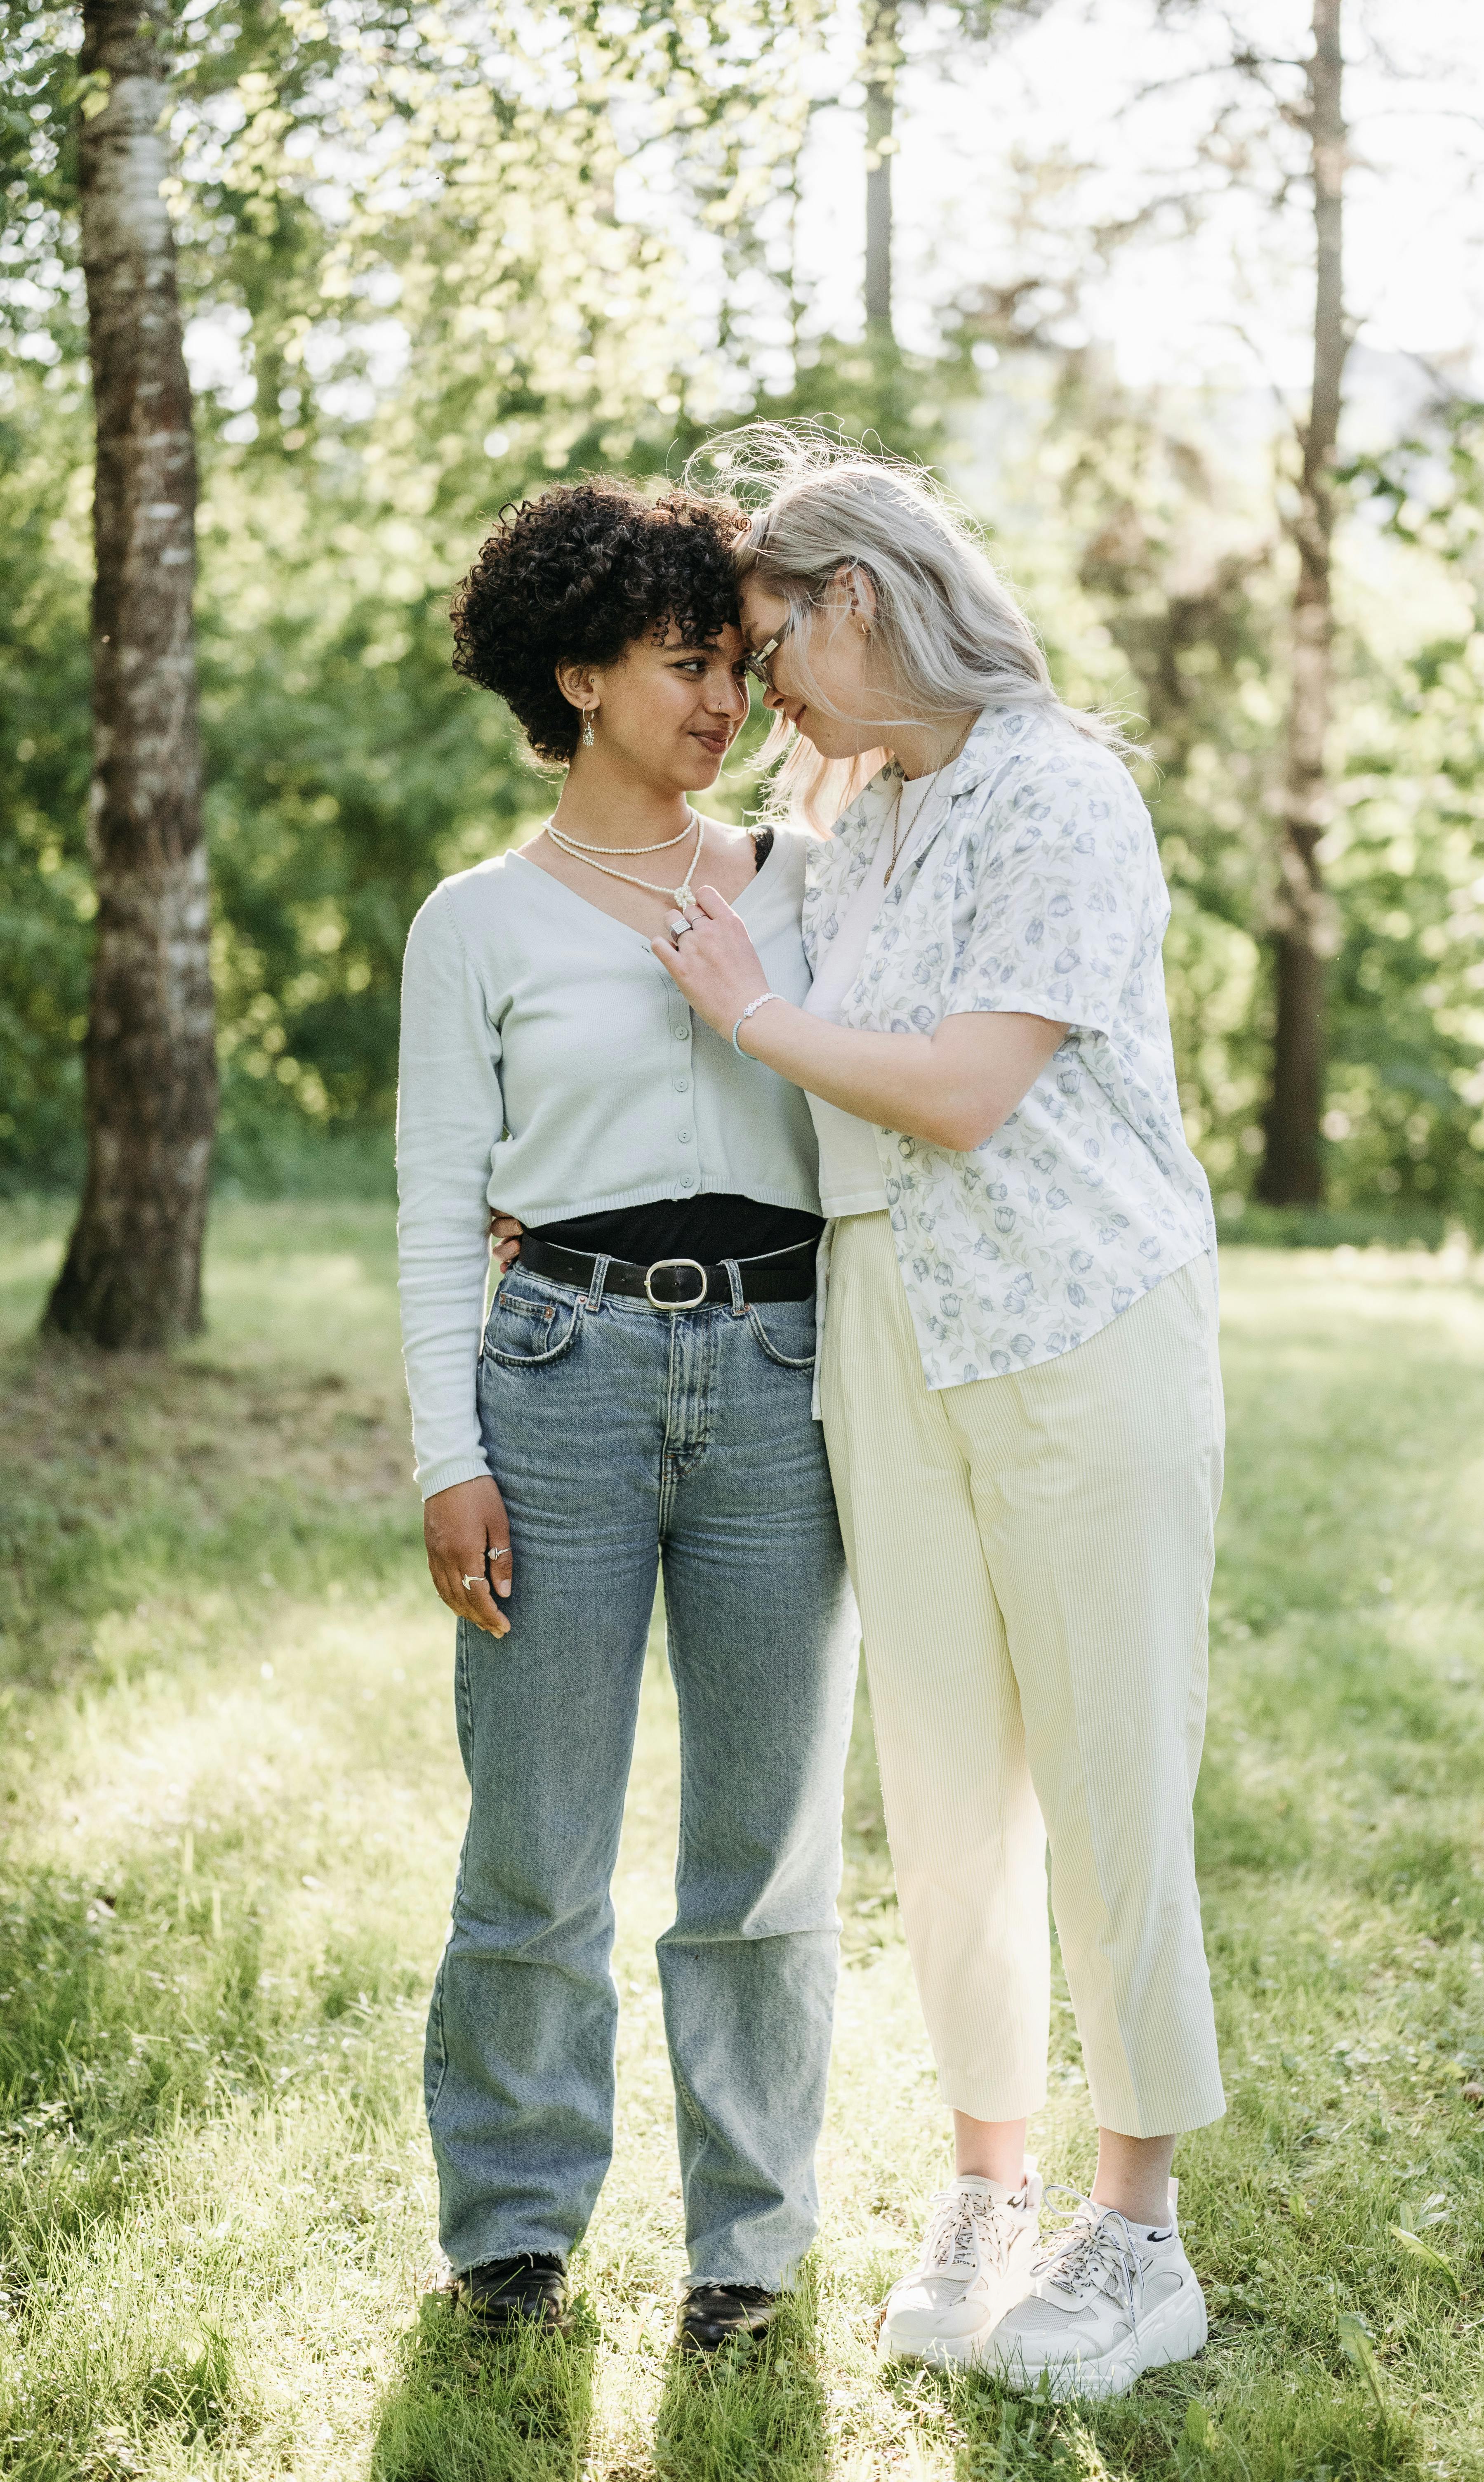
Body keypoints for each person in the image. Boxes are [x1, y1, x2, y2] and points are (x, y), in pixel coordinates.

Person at [655, 429, 1227, 2402]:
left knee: (1105, 1776)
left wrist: (752, 1009)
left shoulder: (1061, 792)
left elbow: (970, 1086)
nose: (756, 694)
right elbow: (664, 888)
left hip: (1077, 1323)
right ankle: (986, 2189)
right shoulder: (867, 817)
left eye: (767, 640)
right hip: (885, 1323)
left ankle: (1136, 2230)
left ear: (859, 602)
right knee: (949, 1790)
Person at [395, 476, 856, 2352]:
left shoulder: (807, 879)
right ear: (576, 676)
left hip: (775, 1378)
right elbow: (439, 1203)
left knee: (759, 1857)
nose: (724, 702)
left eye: (734, 667)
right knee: (536, 1842)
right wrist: (448, 1450)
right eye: (685, 665)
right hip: (559, 1381)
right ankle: (512, 2230)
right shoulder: (474, 921)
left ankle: (745, 2249)